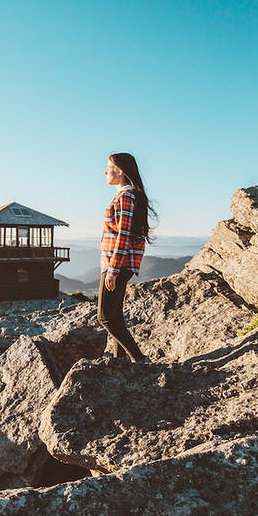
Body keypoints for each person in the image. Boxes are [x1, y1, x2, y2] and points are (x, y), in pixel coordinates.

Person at [98, 152, 155, 363]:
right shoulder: (125, 195)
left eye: (109, 167)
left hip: (117, 263)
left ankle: (139, 359)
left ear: (120, 171)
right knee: (115, 316)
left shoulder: (126, 197)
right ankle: (119, 360)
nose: (105, 172)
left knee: (104, 317)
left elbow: (124, 235)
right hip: (118, 263)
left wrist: (112, 270)